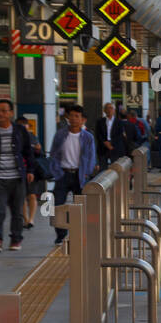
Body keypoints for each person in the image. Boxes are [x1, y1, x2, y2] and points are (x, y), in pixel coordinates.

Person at [48, 104, 96, 245]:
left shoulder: (88, 137)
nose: (74, 119)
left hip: (79, 176)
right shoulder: (60, 135)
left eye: (77, 116)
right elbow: (54, 154)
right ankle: (61, 235)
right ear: (67, 117)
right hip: (62, 174)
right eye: (71, 116)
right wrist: (56, 172)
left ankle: (78, 233)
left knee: (80, 206)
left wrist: (87, 173)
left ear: (82, 120)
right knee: (57, 206)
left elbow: (91, 157)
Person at [0, 99, 35, 252]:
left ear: (11, 113)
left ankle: (16, 239)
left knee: (17, 211)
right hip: (0, 178)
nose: (0, 114)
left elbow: (28, 152)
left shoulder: (20, 130)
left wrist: (30, 171)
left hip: (17, 177)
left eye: (4, 111)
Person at [15, 116, 44, 231]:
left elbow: (40, 154)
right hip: (18, 171)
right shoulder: (13, 137)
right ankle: (26, 219)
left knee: (32, 195)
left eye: (25, 124)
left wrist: (38, 149)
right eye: (20, 125)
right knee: (21, 196)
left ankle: (31, 219)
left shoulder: (32, 137)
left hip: (31, 170)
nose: (23, 127)